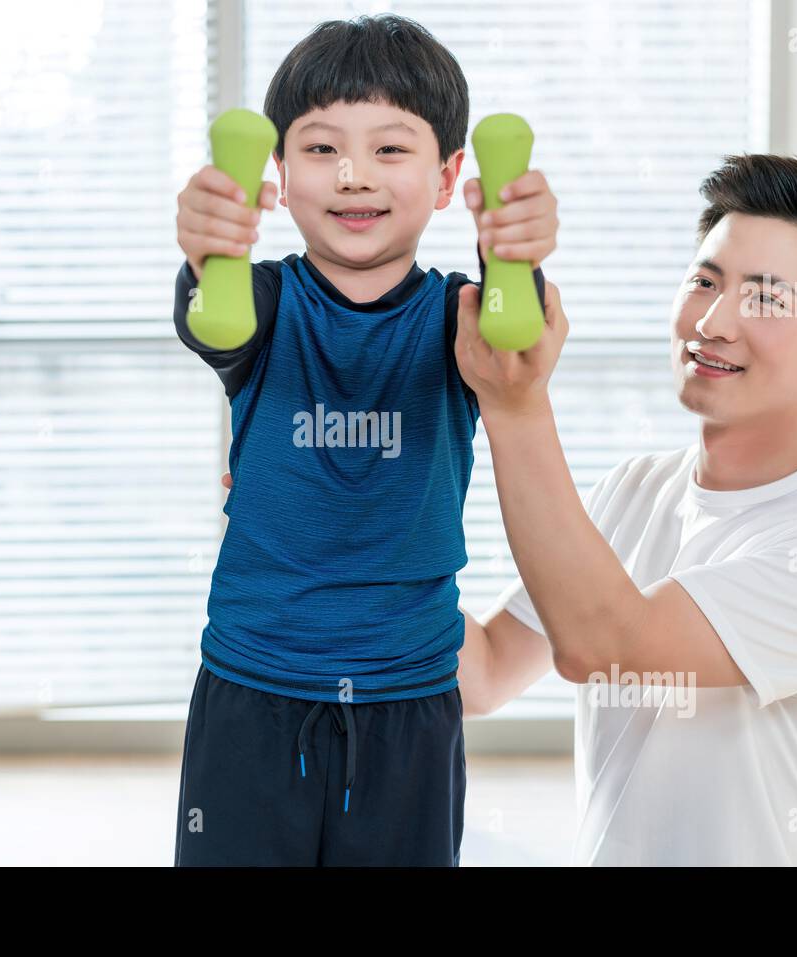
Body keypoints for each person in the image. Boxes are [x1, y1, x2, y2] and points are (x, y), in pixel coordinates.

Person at [454, 154, 797, 865]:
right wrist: (327, 512)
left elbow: (602, 645)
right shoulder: (636, 489)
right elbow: (483, 673)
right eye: (706, 280)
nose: (711, 321)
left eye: (766, 299)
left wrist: (514, 405)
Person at [170, 13, 558, 865]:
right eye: (319, 149)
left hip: (412, 695)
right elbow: (214, 322)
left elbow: (514, 345)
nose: (353, 176)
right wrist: (208, 254)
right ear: (275, 173)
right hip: (250, 687)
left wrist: (514, 256)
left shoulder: (464, 317)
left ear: (452, 175)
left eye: (390, 149)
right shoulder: (264, 304)